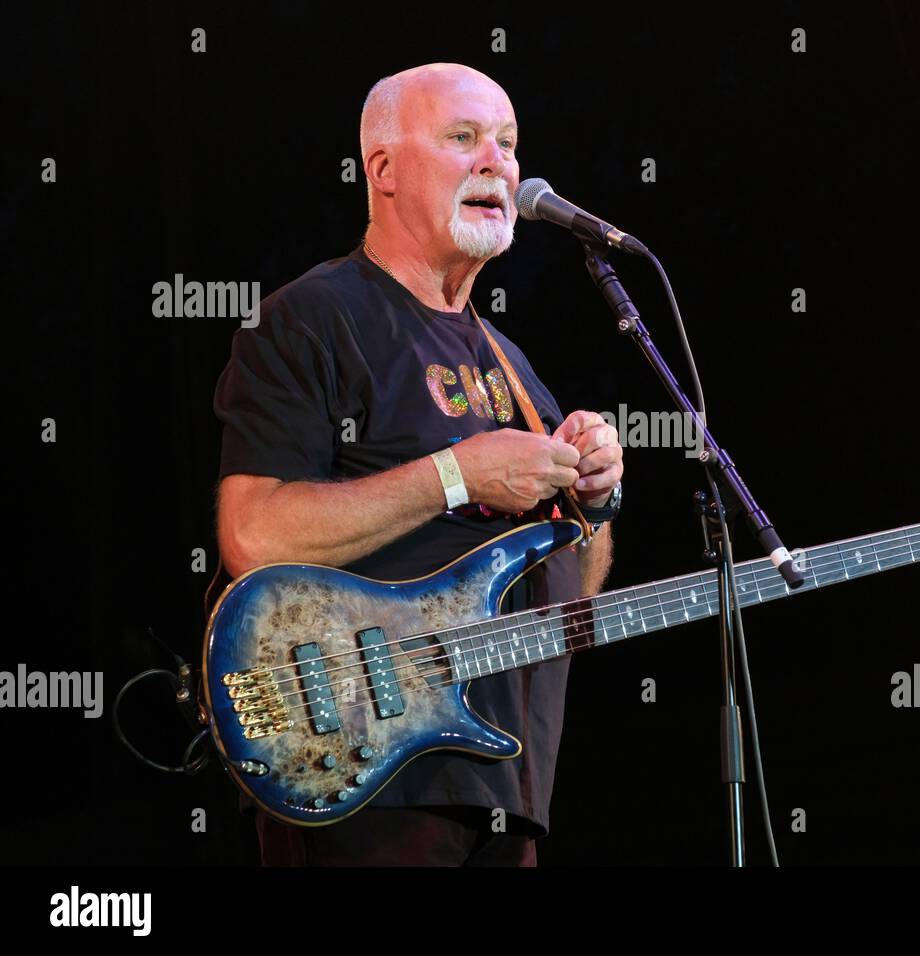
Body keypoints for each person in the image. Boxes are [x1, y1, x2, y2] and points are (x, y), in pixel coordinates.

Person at [212, 62, 624, 866]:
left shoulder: (513, 366)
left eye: (507, 144)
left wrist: (596, 503)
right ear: (384, 169)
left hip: (511, 790)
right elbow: (252, 536)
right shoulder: (311, 319)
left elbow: (572, 609)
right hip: (365, 782)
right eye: (464, 138)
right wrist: (457, 474)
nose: (497, 163)